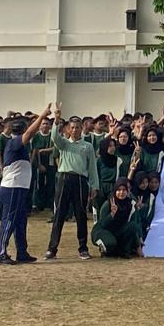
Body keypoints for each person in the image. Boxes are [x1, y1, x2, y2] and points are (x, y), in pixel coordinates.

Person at [0, 106, 50, 266]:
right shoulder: (15, 143)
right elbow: (30, 134)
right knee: (9, 219)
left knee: (20, 221)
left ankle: (22, 252)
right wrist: (42, 117)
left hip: (19, 187)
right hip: (12, 187)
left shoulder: (19, 146)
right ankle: (1, 253)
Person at [44, 103, 100, 261]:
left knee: (81, 215)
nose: (75, 130)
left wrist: (94, 186)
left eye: (78, 127)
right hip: (64, 178)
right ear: (68, 129)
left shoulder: (87, 146)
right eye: (72, 127)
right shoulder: (64, 143)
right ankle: (52, 248)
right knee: (59, 214)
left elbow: (92, 168)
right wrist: (56, 120)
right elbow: (54, 137)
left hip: (80, 180)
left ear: (82, 129)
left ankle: (83, 248)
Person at [89, 176, 143, 258]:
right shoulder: (108, 204)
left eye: (124, 190)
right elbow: (102, 224)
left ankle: (123, 251)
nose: (121, 192)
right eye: (119, 190)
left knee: (132, 226)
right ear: (115, 190)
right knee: (110, 244)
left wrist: (138, 246)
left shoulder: (130, 204)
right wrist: (112, 215)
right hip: (102, 231)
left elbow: (134, 223)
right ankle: (104, 249)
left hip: (116, 231)